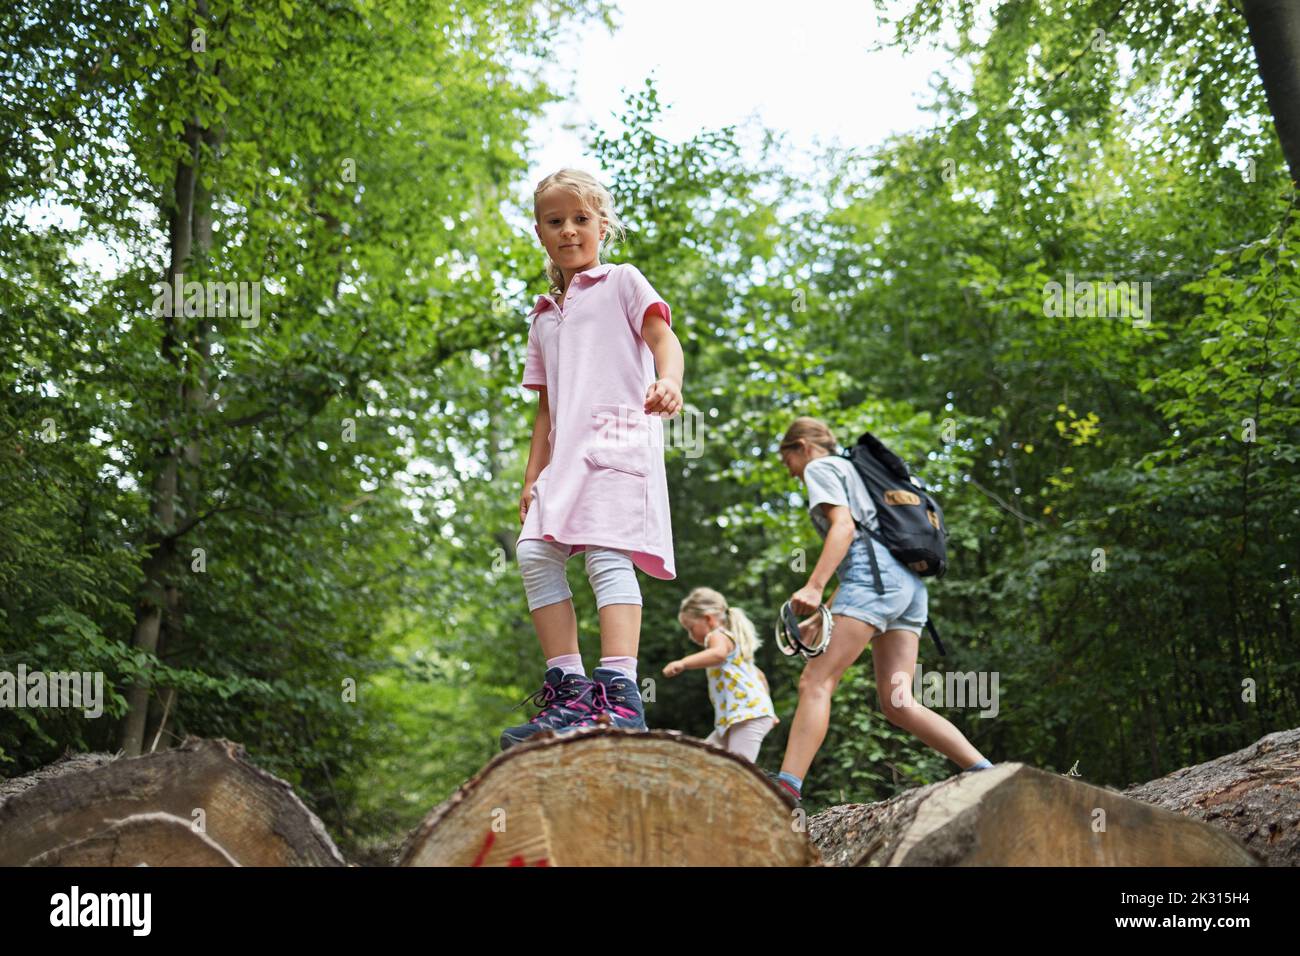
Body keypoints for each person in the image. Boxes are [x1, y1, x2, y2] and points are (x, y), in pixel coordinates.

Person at [500, 168, 685, 750]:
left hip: (616, 442)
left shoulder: (622, 281)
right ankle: (570, 690)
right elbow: (546, 410)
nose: (569, 230)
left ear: (603, 226)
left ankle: (620, 695)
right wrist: (532, 476)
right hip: (563, 461)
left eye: (581, 219)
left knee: (607, 557)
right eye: (555, 221)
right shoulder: (542, 316)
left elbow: (663, 339)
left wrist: (670, 380)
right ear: (540, 232)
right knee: (533, 552)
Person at [768, 416, 992, 802]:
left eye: (786, 460)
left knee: (815, 682)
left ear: (802, 446)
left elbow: (845, 531)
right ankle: (986, 772)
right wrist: (826, 617)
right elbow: (867, 550)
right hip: (908, 587)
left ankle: (786, 787)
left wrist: (814, 587)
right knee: (899, 702)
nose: (790, 473)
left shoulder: (821, 467)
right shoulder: (856, 470)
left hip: (873, 580)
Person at [666, 587, 778, 762]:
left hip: (747, 716)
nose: (690, 635)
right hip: (736, 719)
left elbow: (718, 654)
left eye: (691, 627)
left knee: (738, 772)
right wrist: (768, 709)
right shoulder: (734, 648)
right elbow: (759, 676)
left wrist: (683, 663)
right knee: (702, 761)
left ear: (708, 619)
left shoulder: (716, 636)